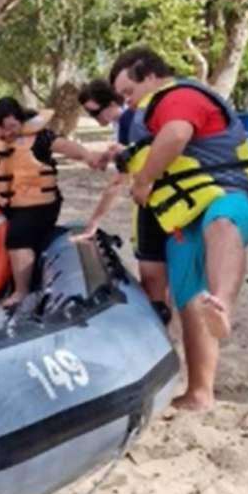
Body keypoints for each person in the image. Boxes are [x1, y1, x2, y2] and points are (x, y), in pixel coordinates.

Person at [109, 46, 248, 411]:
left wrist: (143, 181)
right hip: (185, 215)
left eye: (129, 92)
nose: (127, 103)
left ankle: (221, 303)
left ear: (150, 76)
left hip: (234, 195)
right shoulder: (147, 117)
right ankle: (200, 392)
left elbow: (175, 136)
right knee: (190, 297)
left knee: (222, 222)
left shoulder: (181, 96)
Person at [0, 98, 101, 309]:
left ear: (21, 122)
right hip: (4, 204)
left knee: (18, 236)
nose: (7, 133)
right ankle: (7, 285)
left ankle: (22, 292)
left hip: (40, 205)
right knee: (2, 239)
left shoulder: (40, 138)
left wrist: (89, 157)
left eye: (12, 127)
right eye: (1, 128)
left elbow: (68, 147)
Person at [75, 79, 172, 319]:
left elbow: (119, 181)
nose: (94, 117)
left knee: (154, 274)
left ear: (112, 103)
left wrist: (93, 223)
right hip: (158, 200)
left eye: (95, 111)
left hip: (156, 203)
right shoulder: (123, 124)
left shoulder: (130, 122)